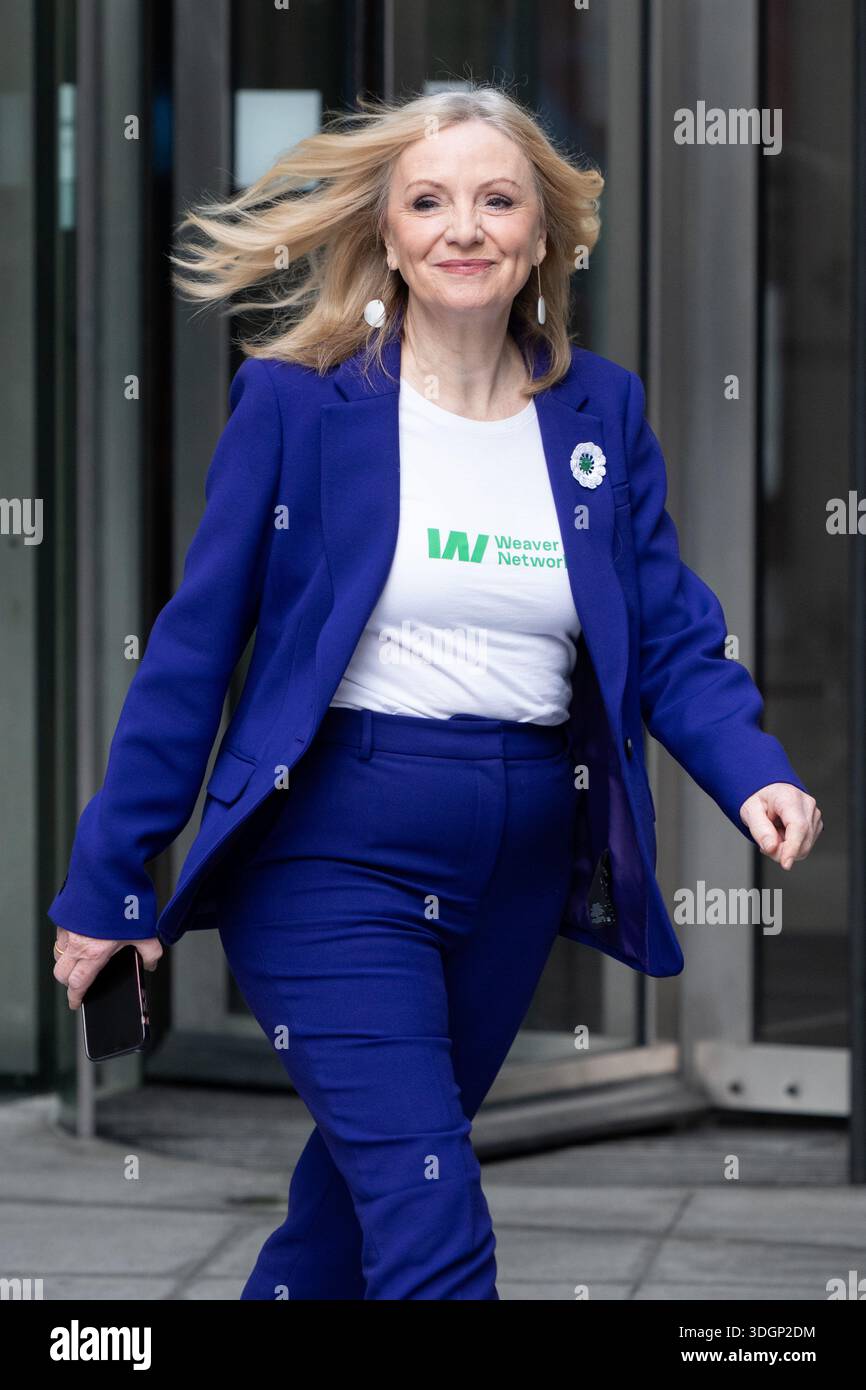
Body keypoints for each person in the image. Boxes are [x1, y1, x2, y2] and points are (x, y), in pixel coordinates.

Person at [49, 86, 822, 1300]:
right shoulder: (300, 402)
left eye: (496, 199)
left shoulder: (597, 412)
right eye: (429, 200)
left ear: (540, 234)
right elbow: (194, 653)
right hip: (330, 849)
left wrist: (753, 769)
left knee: (343, 1224)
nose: (463, 226)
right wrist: (110, 880)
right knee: (432, 1230)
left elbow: (667, 634)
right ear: (390, 230)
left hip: (512, 860)